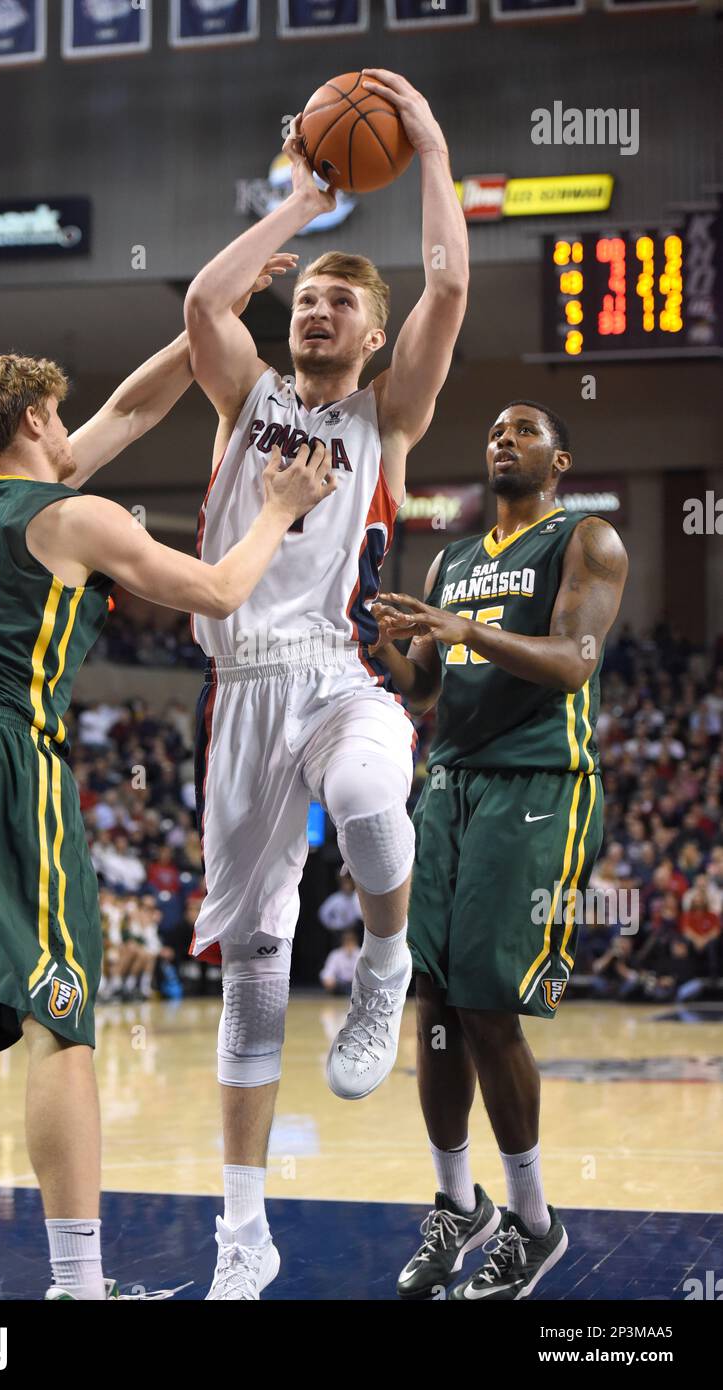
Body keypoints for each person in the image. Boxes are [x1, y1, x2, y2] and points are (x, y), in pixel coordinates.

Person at [0, 268, 333, 1302]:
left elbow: (128, 408)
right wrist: (280, 507)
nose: (76, 420)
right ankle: (80, 1285)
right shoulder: (76, 519)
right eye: (61, 412)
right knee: (61, 1021)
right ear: (39, 416)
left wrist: (203, 328)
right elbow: (215, 591)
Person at [183, 68, 468, 1298]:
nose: (315, 308)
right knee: (252, 968)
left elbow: (448, 282)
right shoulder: (243, 396)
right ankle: (242, 1237)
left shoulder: (386, 420)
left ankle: (387, 962)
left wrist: (435, 148)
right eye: (305, 297)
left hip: (341, 676)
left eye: (340, 301)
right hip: (237, 689)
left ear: (369, 333)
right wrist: (302, 207)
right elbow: (205, 296)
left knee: (365, 800)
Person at [372, 400, 628, 1301]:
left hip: (539, 787)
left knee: (484, 998)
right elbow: (429, 687)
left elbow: (572, 660)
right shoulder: (448, 560)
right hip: (449, 784)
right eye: (493, 431)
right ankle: (457, 1204)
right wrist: (389, 647)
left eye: (523, 430)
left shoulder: (586, 540)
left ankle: (533, 1221)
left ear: (559, 459)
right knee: (432, 996)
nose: (502, 440)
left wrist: (466, 631)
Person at [320, 931, 362, 997]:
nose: (349, 945)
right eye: (347, 942)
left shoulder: (361, 954)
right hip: (340, 986)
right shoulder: (335, 954)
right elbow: (328, 972)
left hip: (358, 987)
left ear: (355, 942)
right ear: (343, 943)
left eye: (351, 942)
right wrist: (328, 979)